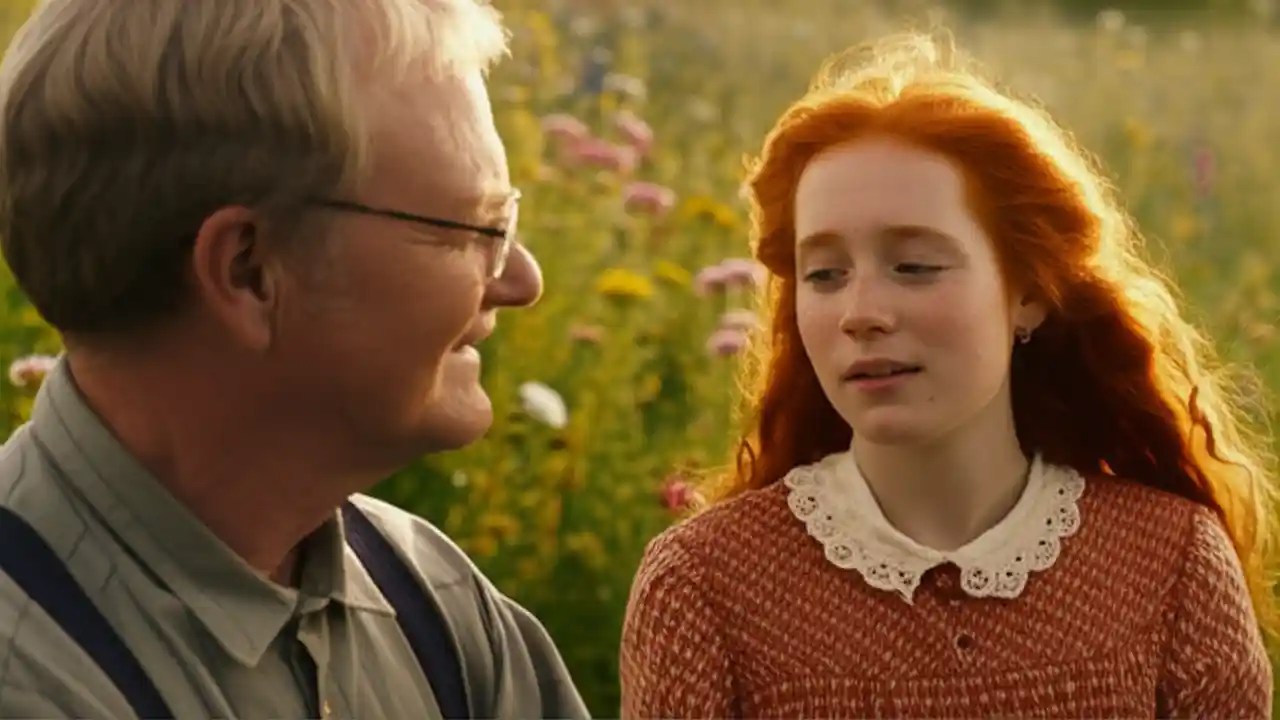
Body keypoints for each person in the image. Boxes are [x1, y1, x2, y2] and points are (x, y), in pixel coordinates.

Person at [620, 31, 1277, 719]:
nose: (860, 313)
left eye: (914, 266)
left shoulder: (1171, 565)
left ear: (1026, 292)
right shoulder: (705, 584)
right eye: (824, 274)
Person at [0, 1, 588, 718]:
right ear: (249, 271)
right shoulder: (28, 679)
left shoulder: (443, 615)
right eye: (478, 228)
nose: (522, 281)